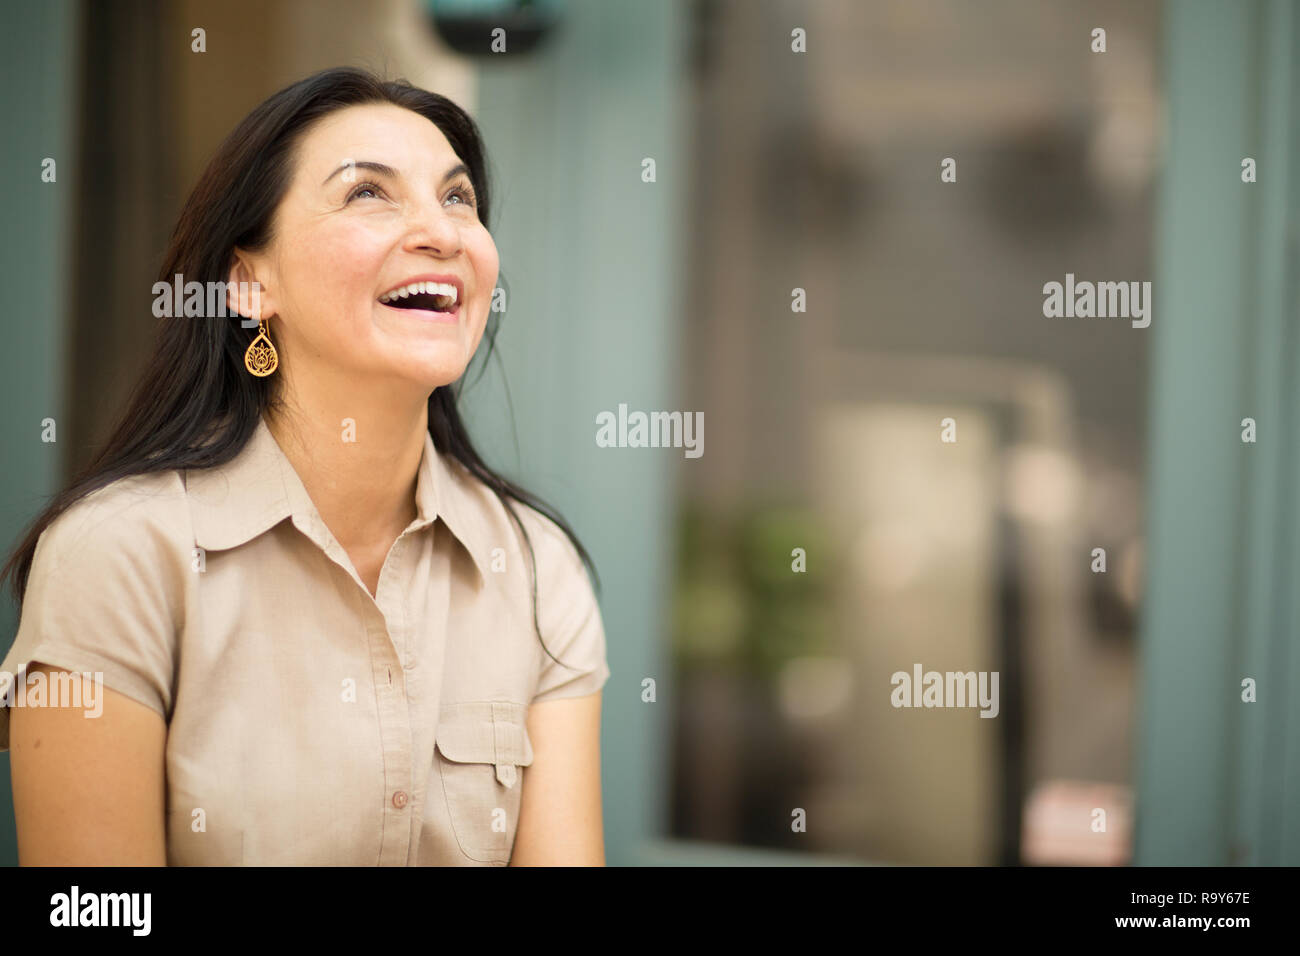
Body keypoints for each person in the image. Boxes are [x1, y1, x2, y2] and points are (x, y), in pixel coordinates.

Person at [0, 66, 609, 866]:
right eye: (368, 193)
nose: (443, 232)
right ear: (250, 285)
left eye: (457, 198)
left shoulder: (536, 569)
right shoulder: (117, 552)